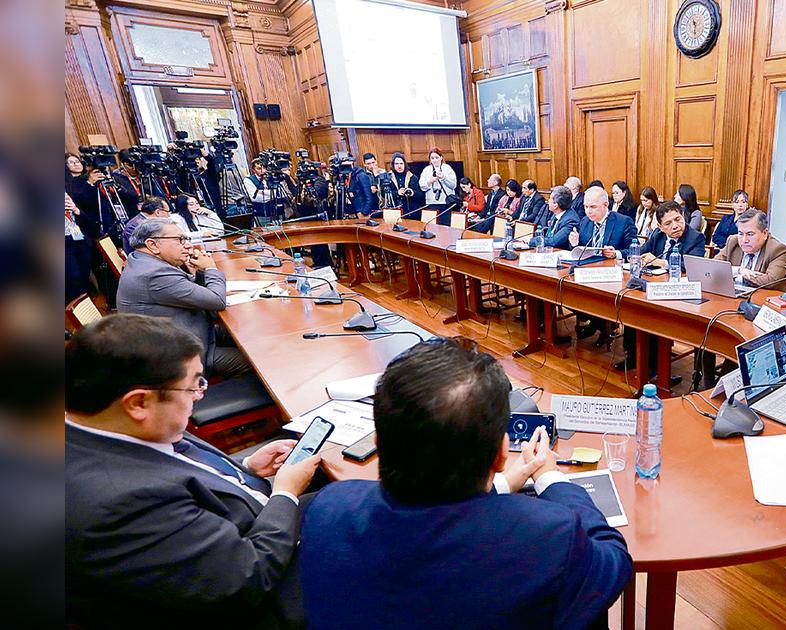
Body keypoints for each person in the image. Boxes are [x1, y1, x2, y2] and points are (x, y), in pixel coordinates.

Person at [299, 337, 633, 629]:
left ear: (379, 439)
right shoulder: (548, 536)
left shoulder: (328, 507)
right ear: (502, 454)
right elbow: (613, 560)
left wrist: (503, 484)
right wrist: (549, 476)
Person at [66, 314, 321, 628]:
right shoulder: (118, 504)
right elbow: (247, 578)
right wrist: (285, 493)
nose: (199, 395)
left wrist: (245, 468)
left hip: (253, 521)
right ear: (138, 403)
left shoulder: (116, 424)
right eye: (193, 387)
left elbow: (181, 472)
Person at [117, 218, 252, 378]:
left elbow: (204, 299)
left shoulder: (143, 261)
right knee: (259, 362)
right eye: (180, 240)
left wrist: (200, 271)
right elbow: (216, 301)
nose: (188, 245)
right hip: (182, 357)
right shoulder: (154, 274)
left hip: (193, 333)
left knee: (251, 334)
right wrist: (210, 268)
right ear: (152, 245)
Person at [616, 201, 705, 376]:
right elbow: (641, 251)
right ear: (660, 226)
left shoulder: (695, 238)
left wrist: (661, 262)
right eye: (668, 223)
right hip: (652, 287)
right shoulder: (658, 235)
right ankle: (634, 356)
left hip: (679, 295)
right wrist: (639, 257)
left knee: (654, 315)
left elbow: (692, 264)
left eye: (678, 219)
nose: (675, 226)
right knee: (632, 307)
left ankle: (657, 367)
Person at [571, 186, 638, 345]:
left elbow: (635, 250)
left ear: (606, 205)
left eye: (592, 207)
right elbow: (582, 247)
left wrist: (617, 253)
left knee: (599, 298)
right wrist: (574, 242)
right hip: (588, 272)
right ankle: (600, 324)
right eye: (586, 207)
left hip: (612, 276)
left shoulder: (623, 222)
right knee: (567, 293)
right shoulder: (585, 221)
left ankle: (603, 325)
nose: (588, 211)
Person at [713, 208, 786, 290]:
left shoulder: (778, 250)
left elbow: (770, 281)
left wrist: (737, 277)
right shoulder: (733, 242)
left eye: (750, 234)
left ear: (764, 233)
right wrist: (739, 270)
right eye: (740, 234)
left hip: (764, 299)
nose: (744, 240)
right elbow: (714, 266)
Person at [65, 193, 95, 303]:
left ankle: (88, 304)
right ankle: (78, 309)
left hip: (79, 239)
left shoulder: (66, 194)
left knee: (84, 273)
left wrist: (75, 209)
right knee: (74, 276)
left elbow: (86, 221)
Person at [419, 147, 458, 225]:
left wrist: (444, 178)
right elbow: (422, 186)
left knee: (446, 226)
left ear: (441, 158)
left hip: (446, 203)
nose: (435, 160)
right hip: (431, 203)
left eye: (437, 157)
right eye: (432, 158)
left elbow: (453, 185)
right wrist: (430, 181)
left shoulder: (447, 168)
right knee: (432, 226)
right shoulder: (426, 170)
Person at [538, 185, 580, 250]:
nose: (548, 201)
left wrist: (531, 241)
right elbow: (548, 235)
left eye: (550, 199)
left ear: (555, 205)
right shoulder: (557, 214)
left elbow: (554, 241)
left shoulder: (570, 220)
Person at [383, 152, 420, 219]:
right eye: (396, 164)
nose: (399, 166)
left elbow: (421, 195)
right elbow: (383, 194)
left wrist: (412, 192)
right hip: (394, 212)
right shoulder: (387, 177)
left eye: (401, 163)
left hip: (411, 212)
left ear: (404, 164)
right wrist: (397, 193)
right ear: (393, 165)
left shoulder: (413, 177)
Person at [349, 152, 380, 219]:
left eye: (373, 162)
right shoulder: (361, 174)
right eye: (368, 163)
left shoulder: (382, 172)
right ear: (364, 164)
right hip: (369, 206)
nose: (372, 165)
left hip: (380, 204)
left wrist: (376, 176)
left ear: (376, 161)